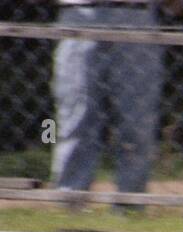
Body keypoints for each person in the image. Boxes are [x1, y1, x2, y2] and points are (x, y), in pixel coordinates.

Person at [50, 0, 167, 193]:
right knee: (75, 117)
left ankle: (131, 203)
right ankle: (69, 200)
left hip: (136, 14)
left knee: (137, 123)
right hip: (80, 14)